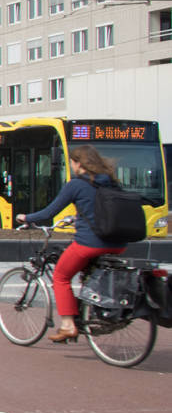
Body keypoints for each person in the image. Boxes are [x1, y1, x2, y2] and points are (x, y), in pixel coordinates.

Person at [14, 145, 128, 342]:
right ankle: (88, 310)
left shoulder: (76, 184)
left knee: (61, 276)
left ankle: (68, 325)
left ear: (78, 164)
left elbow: (49, 212)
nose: (72, 167)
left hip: (89, 244)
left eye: (72, 163)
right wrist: (78, 218)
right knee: (88, 272)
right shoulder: (111, 182)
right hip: (118, 243)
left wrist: (26, 217)